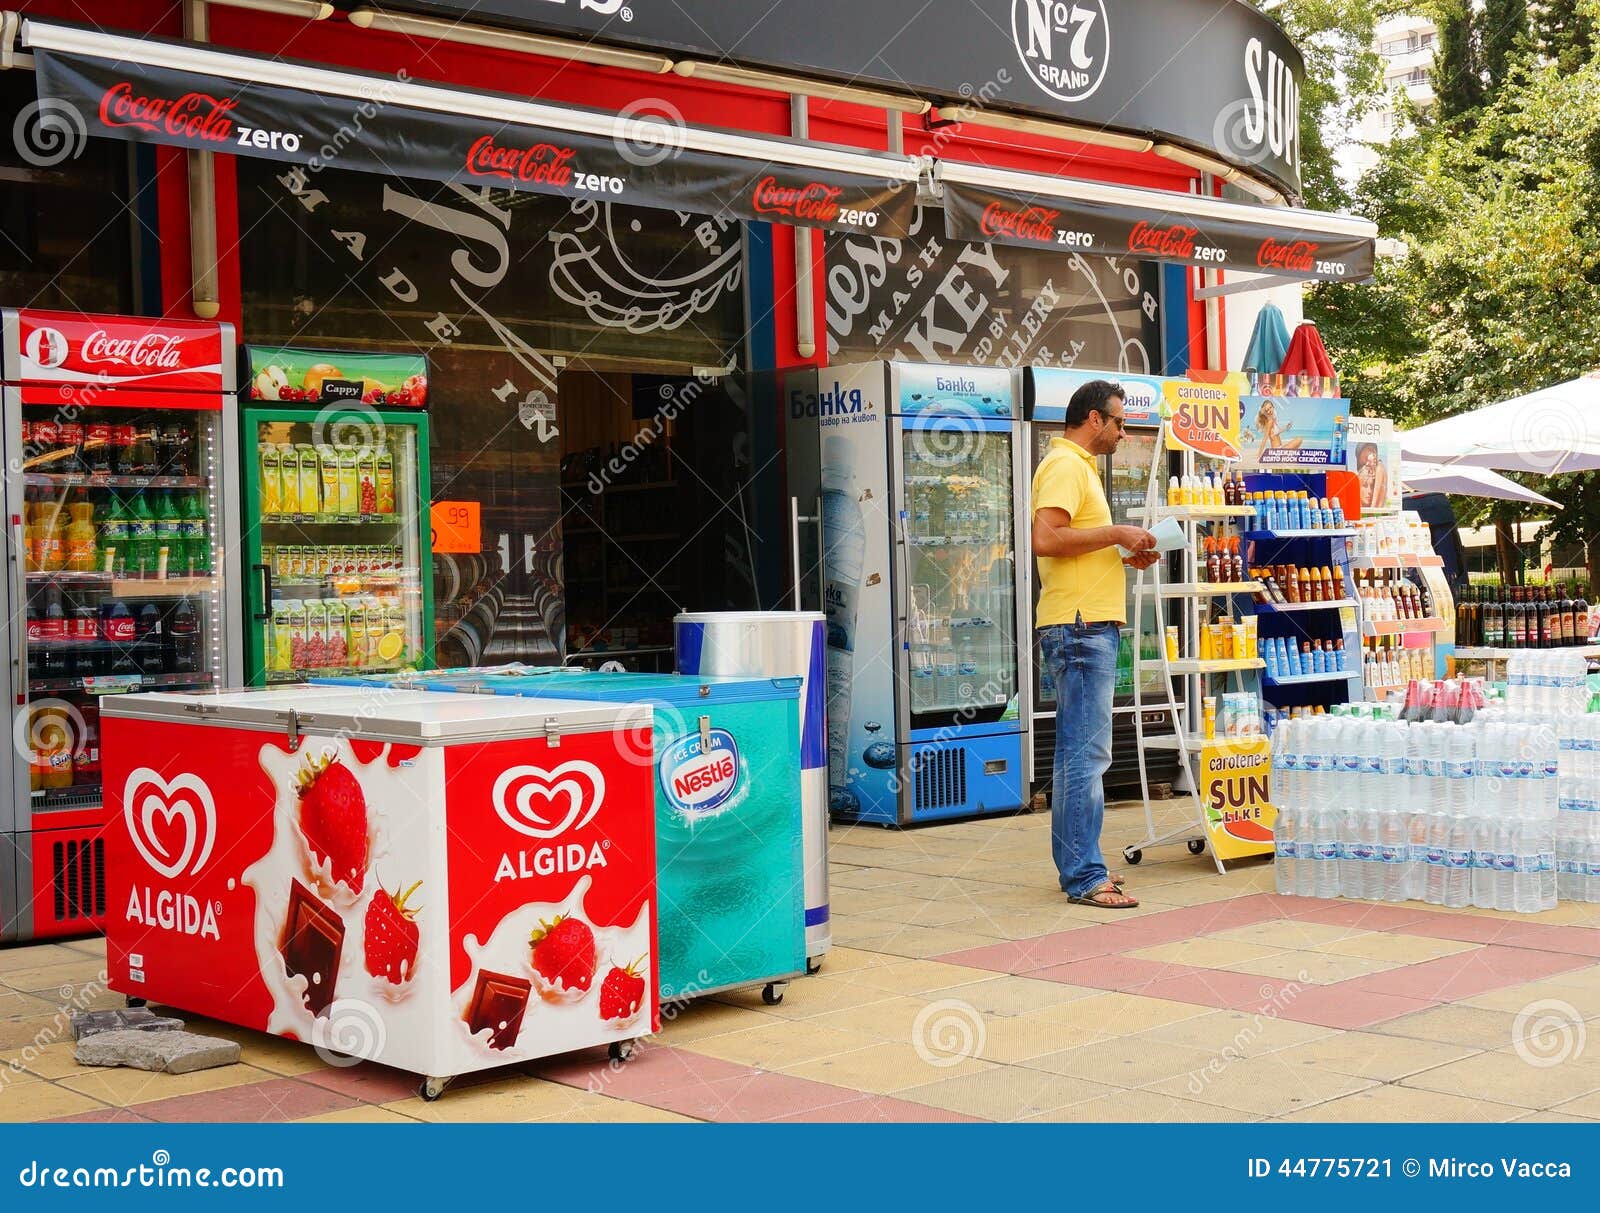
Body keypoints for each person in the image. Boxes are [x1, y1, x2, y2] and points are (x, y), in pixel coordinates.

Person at [1031, 380, 1157, 909]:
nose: (1123, 431)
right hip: (1079, 627)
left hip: (1083, 623)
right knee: (1085, 755)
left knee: (1080, 754)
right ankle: (1084, 874)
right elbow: (1045, 538)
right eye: (1119, 421)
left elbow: (1070, 545)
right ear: (1092, 419)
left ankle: (1081, 865)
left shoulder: (1077, 468)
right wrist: (1116, 534)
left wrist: (1124, 554)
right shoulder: (1065, 466)